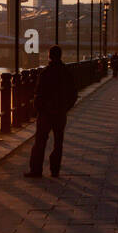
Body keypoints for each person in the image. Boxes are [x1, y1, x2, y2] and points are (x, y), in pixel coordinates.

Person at [24, 45, 78, 179]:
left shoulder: (46, 72)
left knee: (40, 142)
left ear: (49, 56)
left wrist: (39, 109)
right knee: (58, 142)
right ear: (60, 56)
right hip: (60, 112)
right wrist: (66, 107)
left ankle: (36, 170)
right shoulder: (66, 72)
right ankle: (55, 170)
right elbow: (74, 94)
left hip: (46, 113)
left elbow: (38, 93)